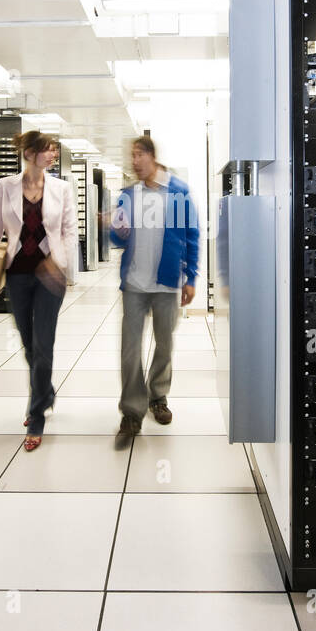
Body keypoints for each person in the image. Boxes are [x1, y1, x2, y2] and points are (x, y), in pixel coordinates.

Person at [0, 131, 77, 451]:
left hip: (50, 277)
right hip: (17, 274)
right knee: (28, 345)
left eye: (54, 150)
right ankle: (45, 392)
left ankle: (36, 416)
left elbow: (68, 231)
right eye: (47, 150)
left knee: (43, 343)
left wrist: (62, 266)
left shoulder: (61, 188)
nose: (53, 155)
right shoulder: (4, 186)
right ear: (30, 153)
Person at [108, 135, 200, 449]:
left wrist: (192, 277)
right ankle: (132, 411)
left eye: (137, 155)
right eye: (131, 155)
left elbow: (192, 235)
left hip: (166, 284)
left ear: (151, 156)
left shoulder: (178, 191)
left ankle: (157, 397)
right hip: (134, 284)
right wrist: (115, 229)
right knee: (130, 350)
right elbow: (118, 238)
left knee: (165, 343)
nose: (133, 161)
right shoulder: (128, 194)